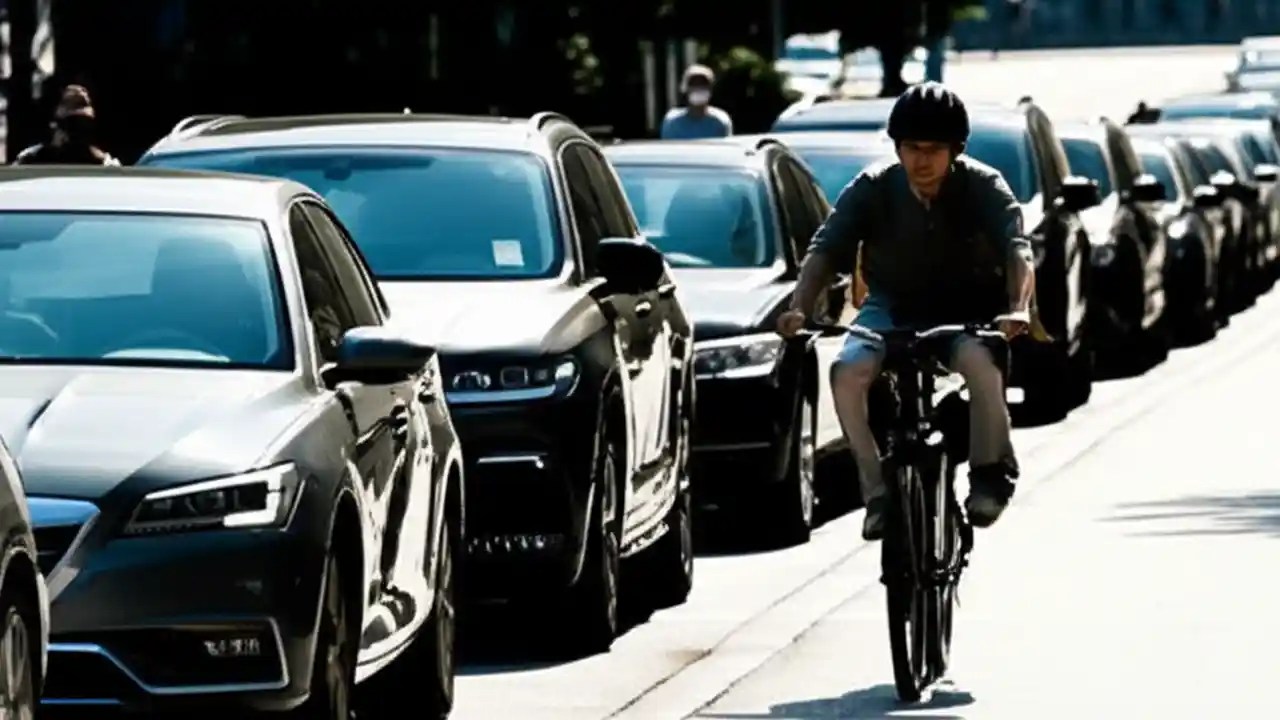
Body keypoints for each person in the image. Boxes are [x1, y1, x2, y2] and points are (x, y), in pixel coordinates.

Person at [775, 82, 1035, 541]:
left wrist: (1017, 308)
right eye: (911, 148)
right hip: (890, 305)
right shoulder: (874, 187)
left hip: (964, 308)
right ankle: (876, 492)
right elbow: (825, 249)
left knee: (982, 360)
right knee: (846, 370)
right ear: (897, 147)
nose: (922, 160)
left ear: (955, 150)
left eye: (934, 149)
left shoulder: (983, 186)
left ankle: (991, 473)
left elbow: (1017, 249)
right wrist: (799, 307)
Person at [12, 84, 120, 166]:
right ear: (55, 126)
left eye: (83, 125)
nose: (77, 135)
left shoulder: (107, 165)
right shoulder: (28, 160)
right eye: (71, 125)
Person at [660, 65, 733, 140]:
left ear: (710, 89)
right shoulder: (672, 122)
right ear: (685, 89)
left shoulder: (720, 121)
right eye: (693, 84)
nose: (698, 88)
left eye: (703, 84)